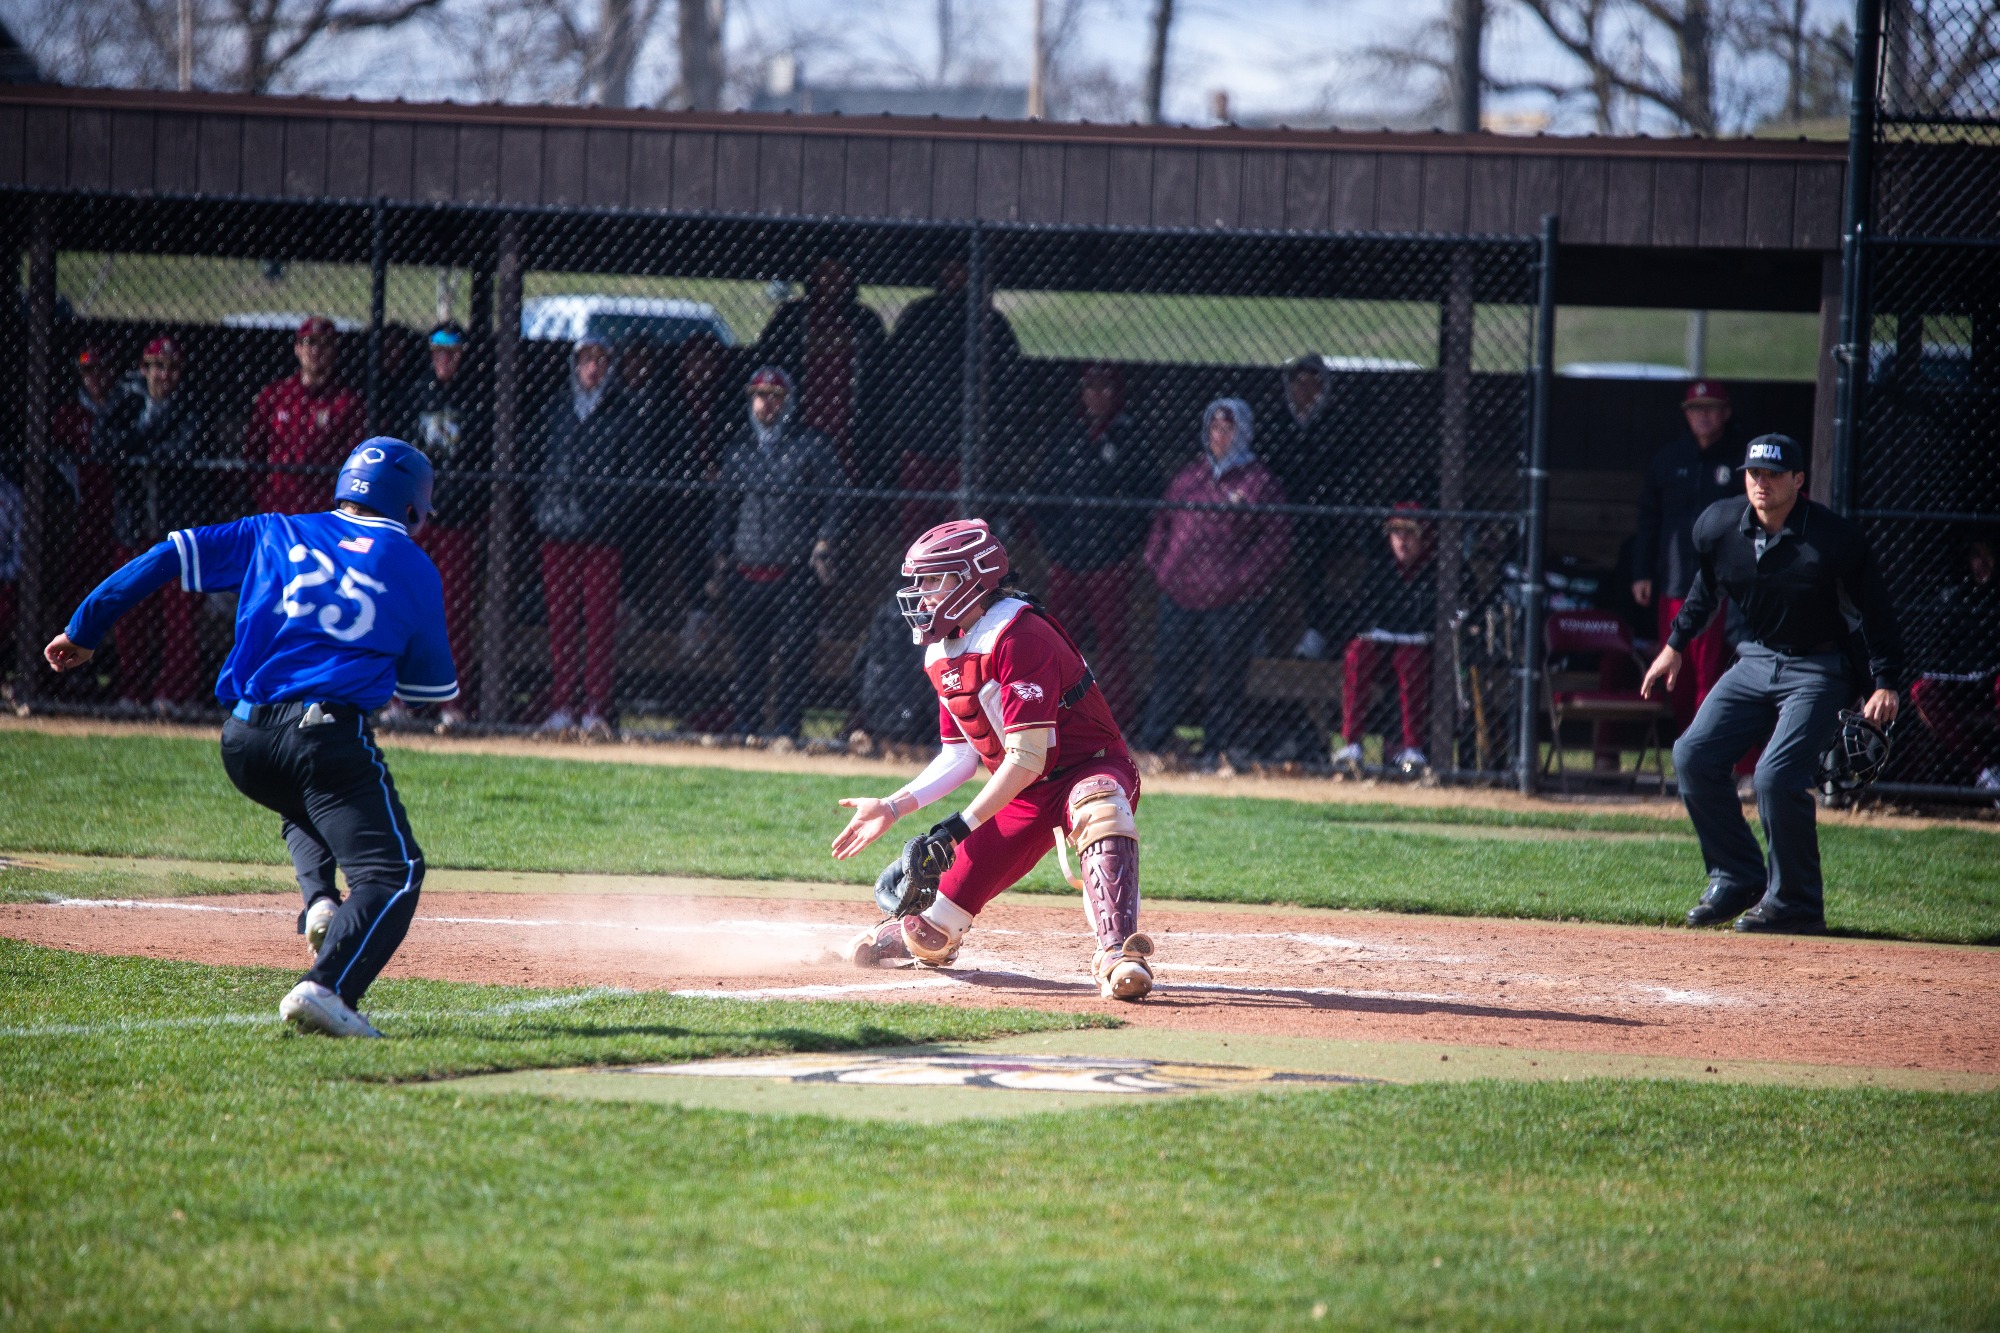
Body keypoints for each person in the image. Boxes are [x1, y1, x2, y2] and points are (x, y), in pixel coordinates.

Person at [45, 439, 456, 1038]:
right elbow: (428, 693)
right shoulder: (414, 564)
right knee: (393, 875)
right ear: (415, 506)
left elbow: (168, 554)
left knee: (301, 796)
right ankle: (328, 988)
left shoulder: (275, 529)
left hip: (244, 738)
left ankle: (318, 900)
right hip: (325, 733)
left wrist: (85, 626)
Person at [833, 519, 1154, 1002]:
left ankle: (1118, 954)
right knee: (931, 937)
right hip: (1025, 791)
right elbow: (960, 755)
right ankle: (913, 928)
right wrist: (893, 806)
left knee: (1098, 804)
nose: (921, 596)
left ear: (973, 580)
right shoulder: (942, 651)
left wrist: (957, 827)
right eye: (918, 583)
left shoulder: (1019, 634)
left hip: (1089, 766)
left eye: (933, 581)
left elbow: (1028, 756)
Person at [1641, 433, 1902, 934]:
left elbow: (1878, 613)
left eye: (1775, 474)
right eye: (1754, 473)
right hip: (1758, 659)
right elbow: (1706, 586)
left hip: (1820, 667)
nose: (1762, 483)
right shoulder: (1720, 526)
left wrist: (1885, 681)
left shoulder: (1833, 540)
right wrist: (1675, 643)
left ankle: (1796, 902)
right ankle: (1737, 876)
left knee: (1776, 778)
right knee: (1693, 755)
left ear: (1798, 481)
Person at [1134, 398, 1290, 768]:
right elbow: (1162, 523)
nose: (1219, 435)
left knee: (1226, 672)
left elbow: (1276, 540)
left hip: (1230, 601)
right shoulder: (1190, 476)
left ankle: (1215, 749)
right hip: (1180, 594)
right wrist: (1161, 567)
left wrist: (1240, 580)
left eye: (1228, 428)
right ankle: (1155, 743)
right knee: (1172, 666)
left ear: (1244, 432)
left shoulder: (1258, 482)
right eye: (1214, 428)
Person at [708, 366, 847, 740]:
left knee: (794, 653)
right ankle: (747, 726)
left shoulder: (811, 445)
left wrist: (825, 541)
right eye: (759, 394)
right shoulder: (738, 450)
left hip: (795, 570)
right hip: (746, 568)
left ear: (788, 402)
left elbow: (837, 498)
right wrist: (720, 554)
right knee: (748, 653)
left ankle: (788, 727)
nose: (766, 403)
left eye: (774, 396)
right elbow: (724, 508)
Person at [1028, 362, 1154, 726]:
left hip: (1109, 560)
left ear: (1116, 394)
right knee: (1061, 640)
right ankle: (1059, 715)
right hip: (1068, 557)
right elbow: (1042, 495)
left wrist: (1121, 545)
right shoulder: (1069, 436)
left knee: (1112, 640)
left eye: (1104, 389)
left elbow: (1146, 501)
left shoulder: (1131, 439)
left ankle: (1116, 719)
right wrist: (1054, 547)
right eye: (1089, 388)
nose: (1096, 396)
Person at [533, 335, 639, 738]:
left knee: (598, 624)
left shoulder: (622, 412)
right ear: (575, 365)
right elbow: (535, 461)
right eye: (585, 360)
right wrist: (544, 510)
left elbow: (632, 474)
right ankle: (562, 706)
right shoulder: (556, 409)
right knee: (560, 622)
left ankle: (595, 708)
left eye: (600, 360)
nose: (592, 367)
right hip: (558, 532)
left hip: (601, 538)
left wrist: (607, 516)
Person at [101, 336, 211, 715]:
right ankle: (132, 691)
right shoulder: (127, 401)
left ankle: (173, 694)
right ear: (143, 369)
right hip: (133, 523)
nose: (163, 375)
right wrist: (143, 446)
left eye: (171, 368)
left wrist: (137, 449)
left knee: (178, 615)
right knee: (130, 611)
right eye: (155, 367)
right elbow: (105, 444)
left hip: (175, 530)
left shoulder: (192, 407)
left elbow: (183, 452)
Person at [1631, 381, 1748, 725]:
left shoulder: (1741, 462)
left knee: (1710, 677)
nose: (1704, 416)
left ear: (1726, 413)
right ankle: (1688, 751)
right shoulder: (1668, 460)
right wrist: (1642, 572)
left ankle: (1706, 760)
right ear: (1686, 415)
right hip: (1674, 585)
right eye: (1696, 409)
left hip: (1720, 589)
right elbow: (1648, 519)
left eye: (1712, 407)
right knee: (1675, 678)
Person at [885, 257, 1022, 537]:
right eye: (949, 267)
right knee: (916, 520)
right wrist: (902, 424)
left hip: (965, 445)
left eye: (962, 269)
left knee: (959, 526)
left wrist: (989, 431)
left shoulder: (990, 322)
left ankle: (957, 579)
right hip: (918, 437)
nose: (954, 275)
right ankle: (917, 577)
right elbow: (893, 370)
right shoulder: (918, 315)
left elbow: (1009, 381)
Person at [399, 320, 488, 725]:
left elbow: (482, 463)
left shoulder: (479, 401)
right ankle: (401, 701)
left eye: (452, 353)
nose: (444, 360)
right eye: (438, 351)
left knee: (452, 611)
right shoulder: (415, 395)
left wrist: (456, 500)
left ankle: (450, 703)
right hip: (418, 522)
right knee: (406, 608)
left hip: (457, 521)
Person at [756, 258, 888, 484]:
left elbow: (882, 368)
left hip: (848, 416)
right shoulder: (791, 316)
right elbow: (770, 358)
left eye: (839, 272)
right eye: (824, 271)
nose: (831, 279)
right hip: (802, 412)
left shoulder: (864, 319)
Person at [1332, 503, 1439, 777]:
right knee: (1358, 652)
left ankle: (1411, 753)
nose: (1402, 540)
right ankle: (1352, 746)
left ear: (1424, 536)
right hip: (1381, 651)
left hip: (1419, 655)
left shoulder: (1438, 568)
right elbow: (1364, 615)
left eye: (1410, 533)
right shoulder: (1379, 566)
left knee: (1410, 658)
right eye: (1396, 532)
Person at [1266, 353, 1357, 662]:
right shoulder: (1277, 422)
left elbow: (1343, 475)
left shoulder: (1336, 424)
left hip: (1321, 517)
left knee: (1308, 542)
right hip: (1279, 512)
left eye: (1314, 383)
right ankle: (1259, 632)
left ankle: (1315, 630)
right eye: (1299, 383)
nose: (1305, 390)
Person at [244, 316, 366, 516]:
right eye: (309, 342)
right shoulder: (274, 396)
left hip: (324, 511)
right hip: (277, 507)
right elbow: (252, 452)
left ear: (334, 350)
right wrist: (264, 497)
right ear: (297, 348)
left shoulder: (347, 403)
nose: (316, 350)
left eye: (324, 343)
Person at [1908, 536, 2000, 793]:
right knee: (1921, 690)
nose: (1982, 564)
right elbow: (1936, 651)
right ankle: (1985, 773)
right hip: (1959, 684)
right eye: (1976, 556)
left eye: (1988, 556)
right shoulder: (1953, 597)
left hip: (1992, 684)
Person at [53, 344, 119, 608]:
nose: (96, 377)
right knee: (74, 582)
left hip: (116, 513)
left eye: (101, 369)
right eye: (88, 371)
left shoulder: (122, 409)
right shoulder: (68, 416)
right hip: (81, 513)